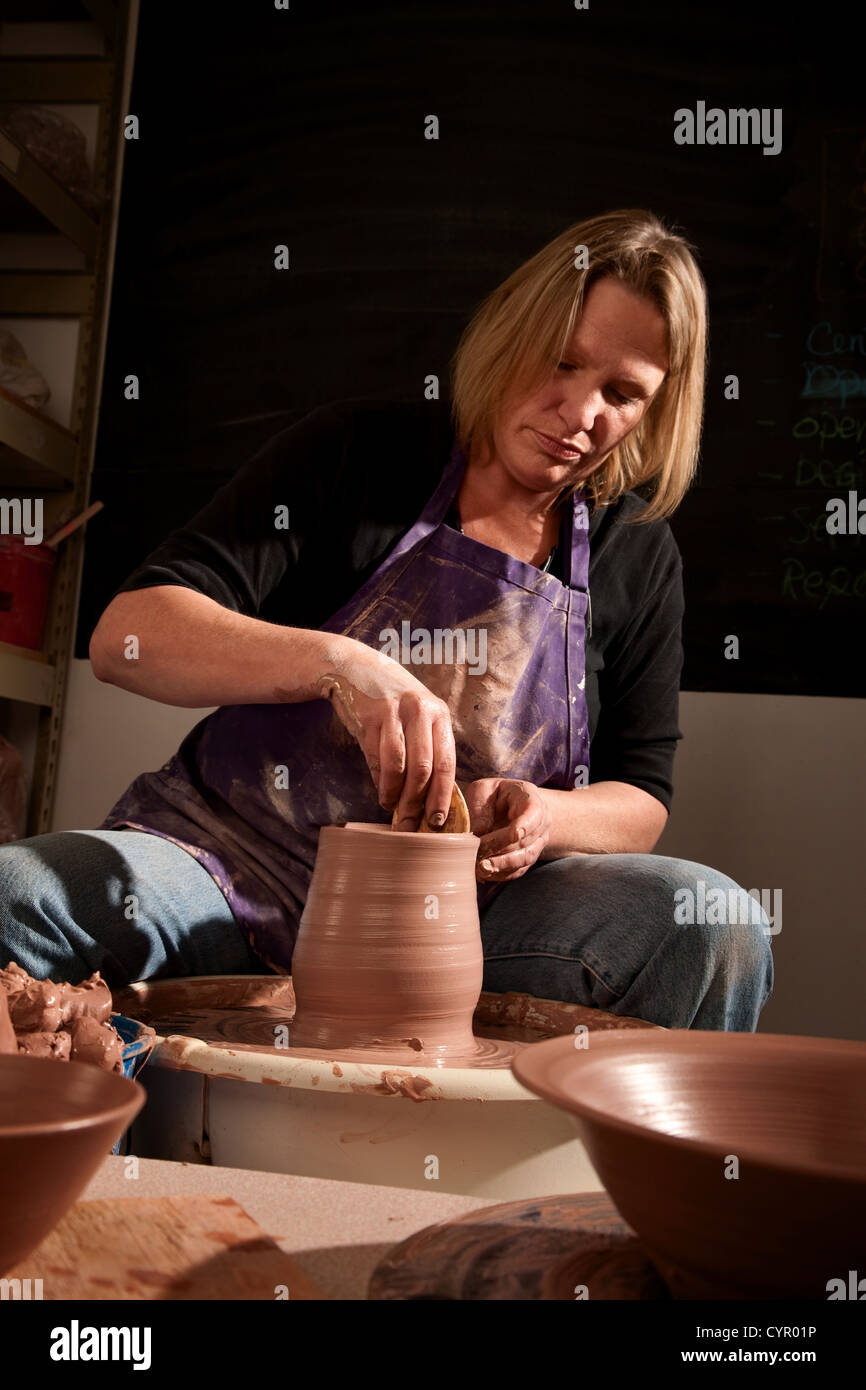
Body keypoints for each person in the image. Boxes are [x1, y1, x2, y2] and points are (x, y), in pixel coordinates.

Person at [0, 208, 773, 1029]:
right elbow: (128, 636)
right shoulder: (358, 454)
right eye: (562, 361)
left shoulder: (636, 552)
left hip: (463, 917)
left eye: (622, 394)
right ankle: (102, 1150)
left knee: (712, 923)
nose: (581, 414)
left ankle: (564, 1160)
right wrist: (342, 666)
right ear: (511, 334)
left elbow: (642, 794)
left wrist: (546, 815)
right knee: (17, 893)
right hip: (224, 869)